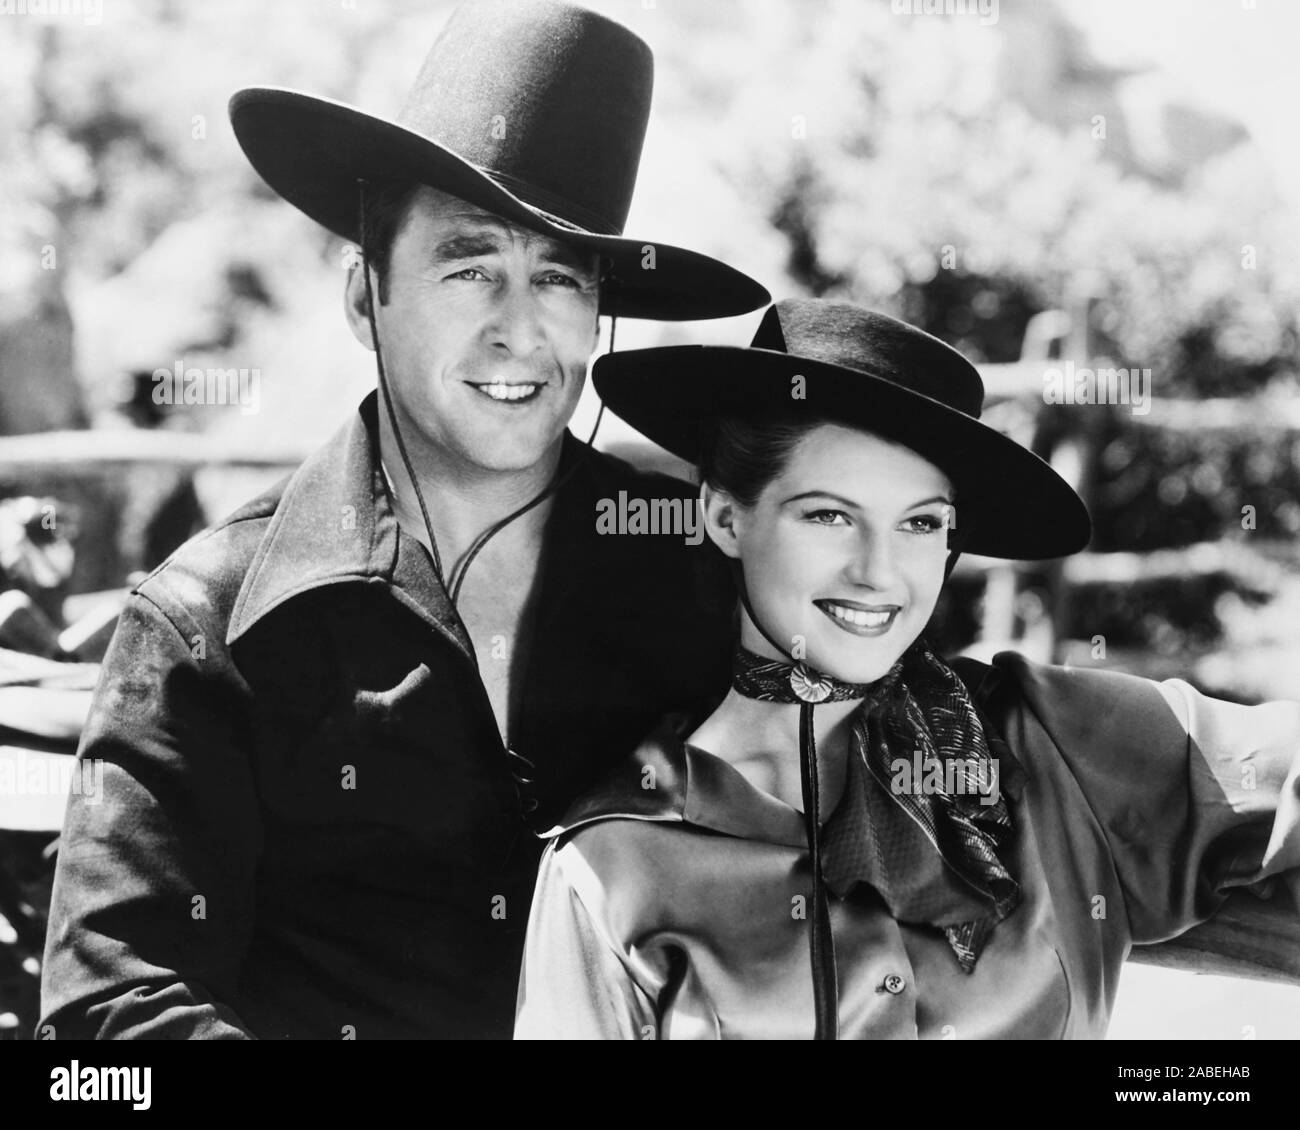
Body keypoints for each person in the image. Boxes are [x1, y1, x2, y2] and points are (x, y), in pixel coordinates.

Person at [38, 0, 768, 1040]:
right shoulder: (208, 625)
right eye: (469, 266)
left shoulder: (700, 576)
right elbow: (104, 1016)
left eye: (559, 276)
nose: (519, 327)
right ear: (362, 298)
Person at [513, 297, 1300, 1040]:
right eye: (828, 515)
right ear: (725, 517)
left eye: (921, 524)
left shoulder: (1049, 743)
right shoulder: (612, 864)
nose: (879, 573)